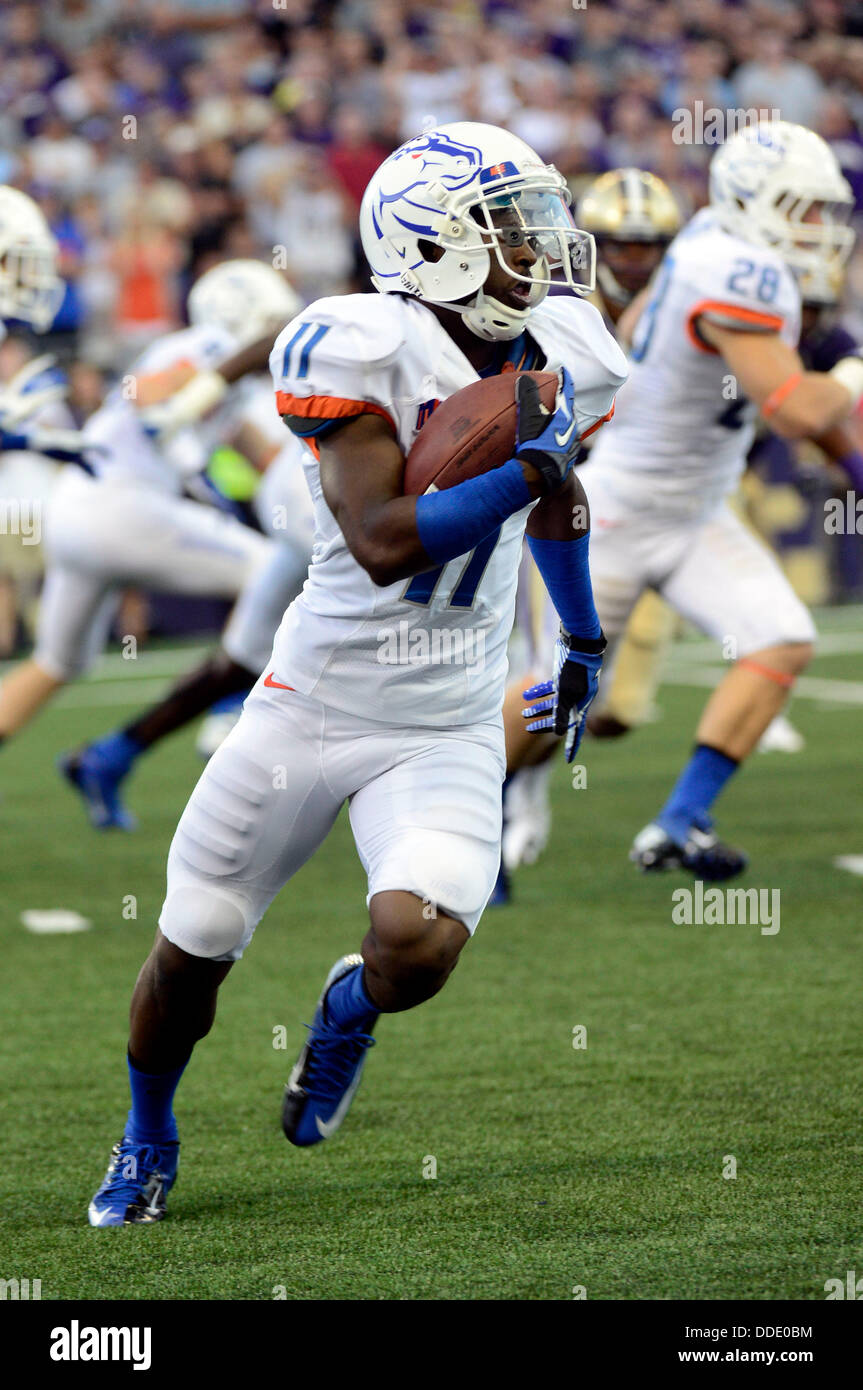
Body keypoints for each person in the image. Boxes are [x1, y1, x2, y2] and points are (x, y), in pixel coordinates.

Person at [87, 121, 627, 1225]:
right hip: (310, 704)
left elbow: (558, 498)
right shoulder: (357, 342)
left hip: (446, 720)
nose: (540, 246)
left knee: (417, 944)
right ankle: (147, 1131)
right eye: (509, 227)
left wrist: (578, 638)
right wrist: (527, 462)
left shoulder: (561, 338)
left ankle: (347, 1011)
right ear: (437, 247)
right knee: (192, 951)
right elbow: (384, 539)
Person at [581, 121, 863, 879]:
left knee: (778, 637)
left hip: (694, 508)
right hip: (616, 507)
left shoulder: (716, 239)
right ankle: (478, 822)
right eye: (801, 208)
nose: (818, 228)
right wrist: (854, 378)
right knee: (558, 703)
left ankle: (677, 824)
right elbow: (798, 410)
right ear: (757, 202)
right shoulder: (734, 268)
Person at [0, 261, 295, 778]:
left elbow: (265, 456)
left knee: (56, 663)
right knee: (274, 570)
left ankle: (109, 758)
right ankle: (226, 713)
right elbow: (146, 391)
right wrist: (184, 393)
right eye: (271, 325)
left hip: (78, 508)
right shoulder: (207, 345)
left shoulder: (227, 384)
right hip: (121, 505)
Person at [497, 169, 682, 891]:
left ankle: (519, 788)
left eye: (647, 245)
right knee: (545, 676)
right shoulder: (558, 309)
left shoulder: (687, 303)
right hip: (548, 508)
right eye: (620, 244)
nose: (633, 259)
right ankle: (491, 813)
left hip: (641, 516)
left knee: (608, 709)